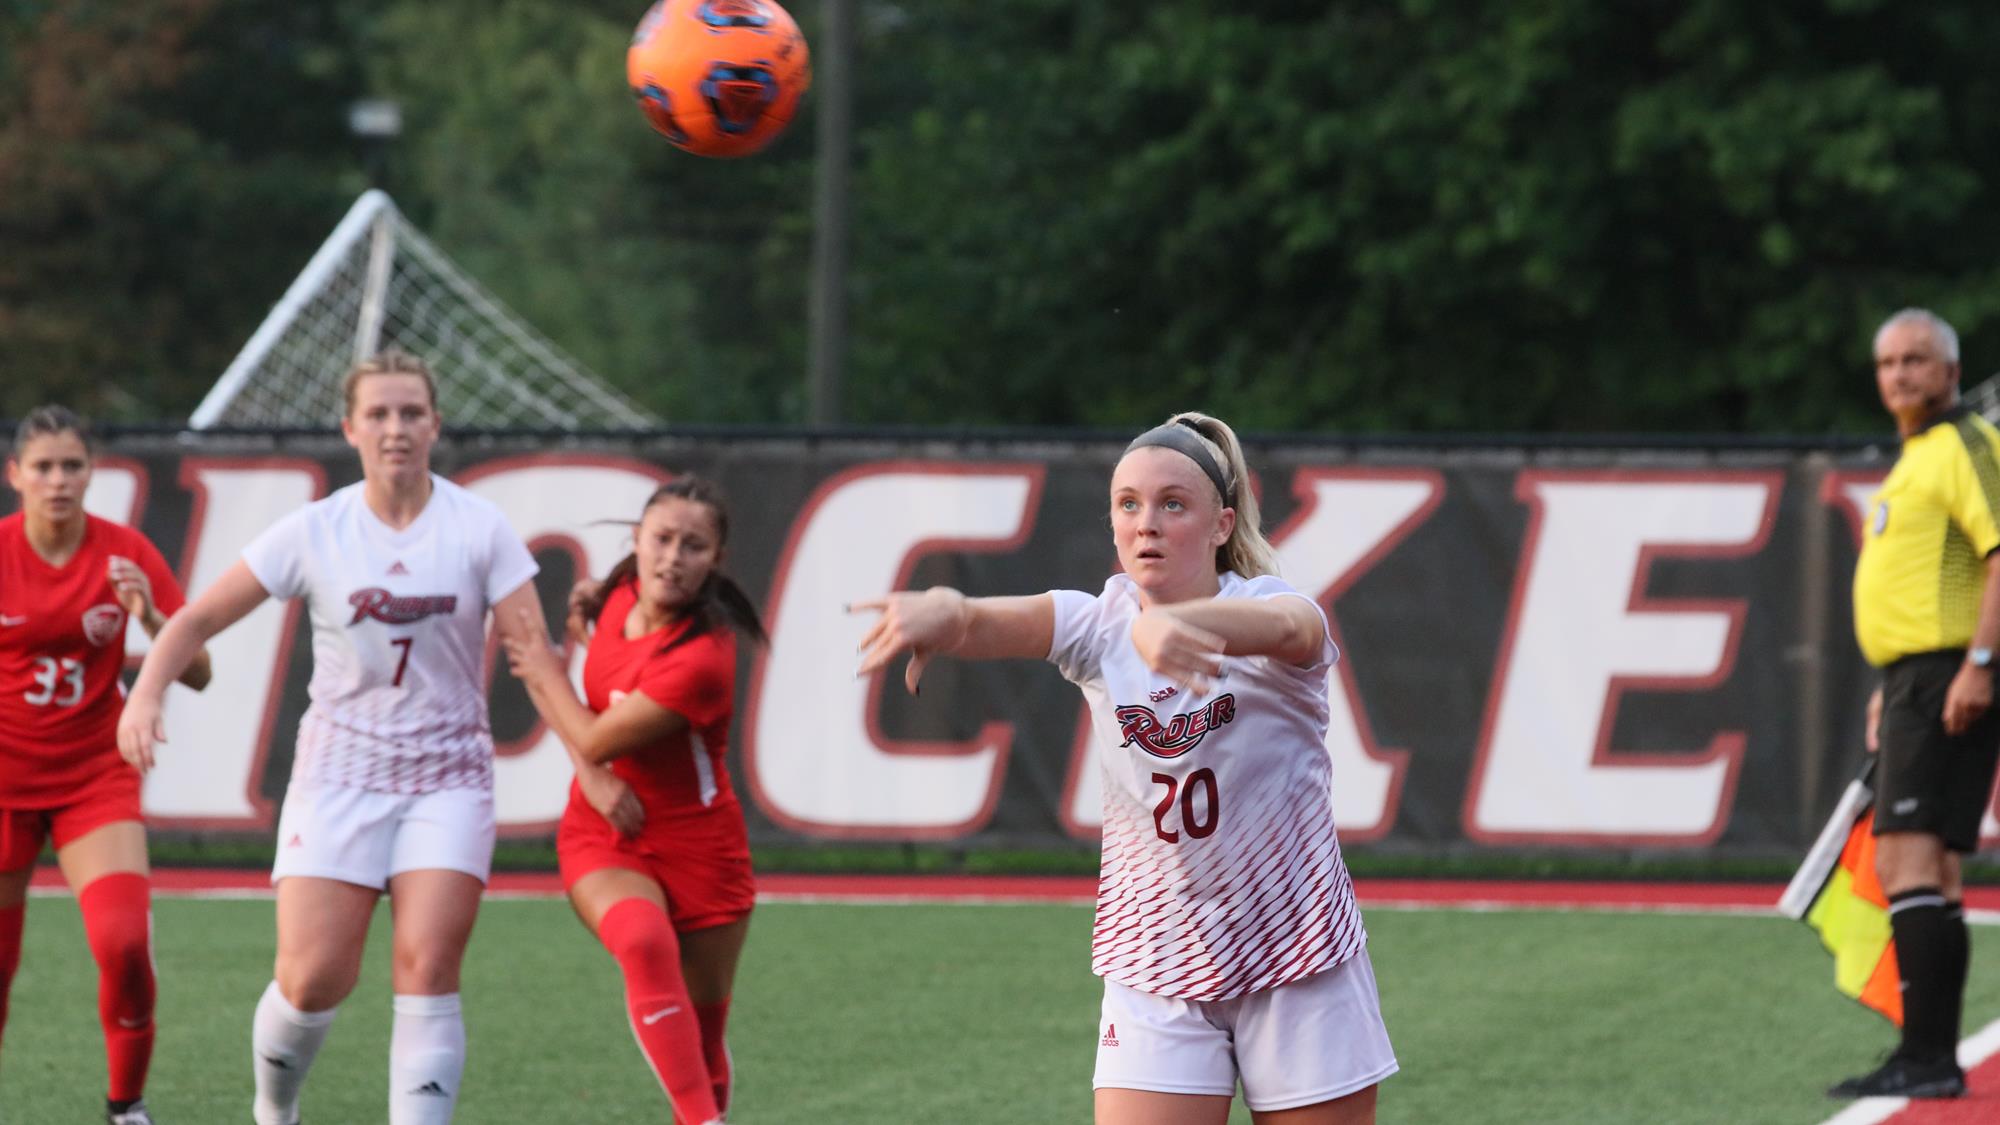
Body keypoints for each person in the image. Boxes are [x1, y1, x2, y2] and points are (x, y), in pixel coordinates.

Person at [853, 412, 1396, 1124]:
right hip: (1156, 957)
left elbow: (1297, 629)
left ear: (1222, 524)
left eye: (1174, 504)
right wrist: (948, 611)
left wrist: (1190, 625)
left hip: (1297, 950)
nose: (1147, 522)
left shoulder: (1265, 606)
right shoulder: (1101, 623)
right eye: (1129, 504)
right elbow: (989, 622)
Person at [116, 350, 545, 1125]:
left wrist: (591, 754)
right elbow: (197, 619)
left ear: (435, 424)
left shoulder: (480, 527)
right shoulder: (316, 529)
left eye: (411, 412)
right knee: (313, 979)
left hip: (449, 778)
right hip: (339, 774)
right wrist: (145, 696)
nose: (395, 428)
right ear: (350, 428)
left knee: (428, 967)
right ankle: (275, 1111)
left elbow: (536, 654)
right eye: (378, 414)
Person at [497, 475, 761, 1125]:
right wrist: (590, 778)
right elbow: (586, 648)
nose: (673, 557)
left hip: (700, 848)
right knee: (643, 941)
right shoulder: (613, 594)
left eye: (693, 545)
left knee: (702, 1045)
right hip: (604, 834)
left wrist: (543, 668)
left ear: (716, 560)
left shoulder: (700, 658)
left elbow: (586, 727)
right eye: (662, 539)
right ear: (636, 541)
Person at [0, 406, 212, 1125]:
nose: (58, 480)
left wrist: (149, 614)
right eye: (43, 466)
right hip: (4, 784)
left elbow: (202, 670)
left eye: (72, 465)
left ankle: (126, 1107)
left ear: (93, 473)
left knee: (123, 944)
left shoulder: (125, 552)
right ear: (15, 475)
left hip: (94, 777)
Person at [1830, 308, 2000, 1100]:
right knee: (1933, 865)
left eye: (1917, 360)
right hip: (1914, 679)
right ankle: (1930, 1052)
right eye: (1889, 361)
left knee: (1907, 857)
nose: (1900, 374)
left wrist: (1979, 663)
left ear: (1951, 372)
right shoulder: (1917, 456)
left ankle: (1927, 1053)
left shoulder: (1966, 445)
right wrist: (1887, 683)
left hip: (1944, 675)